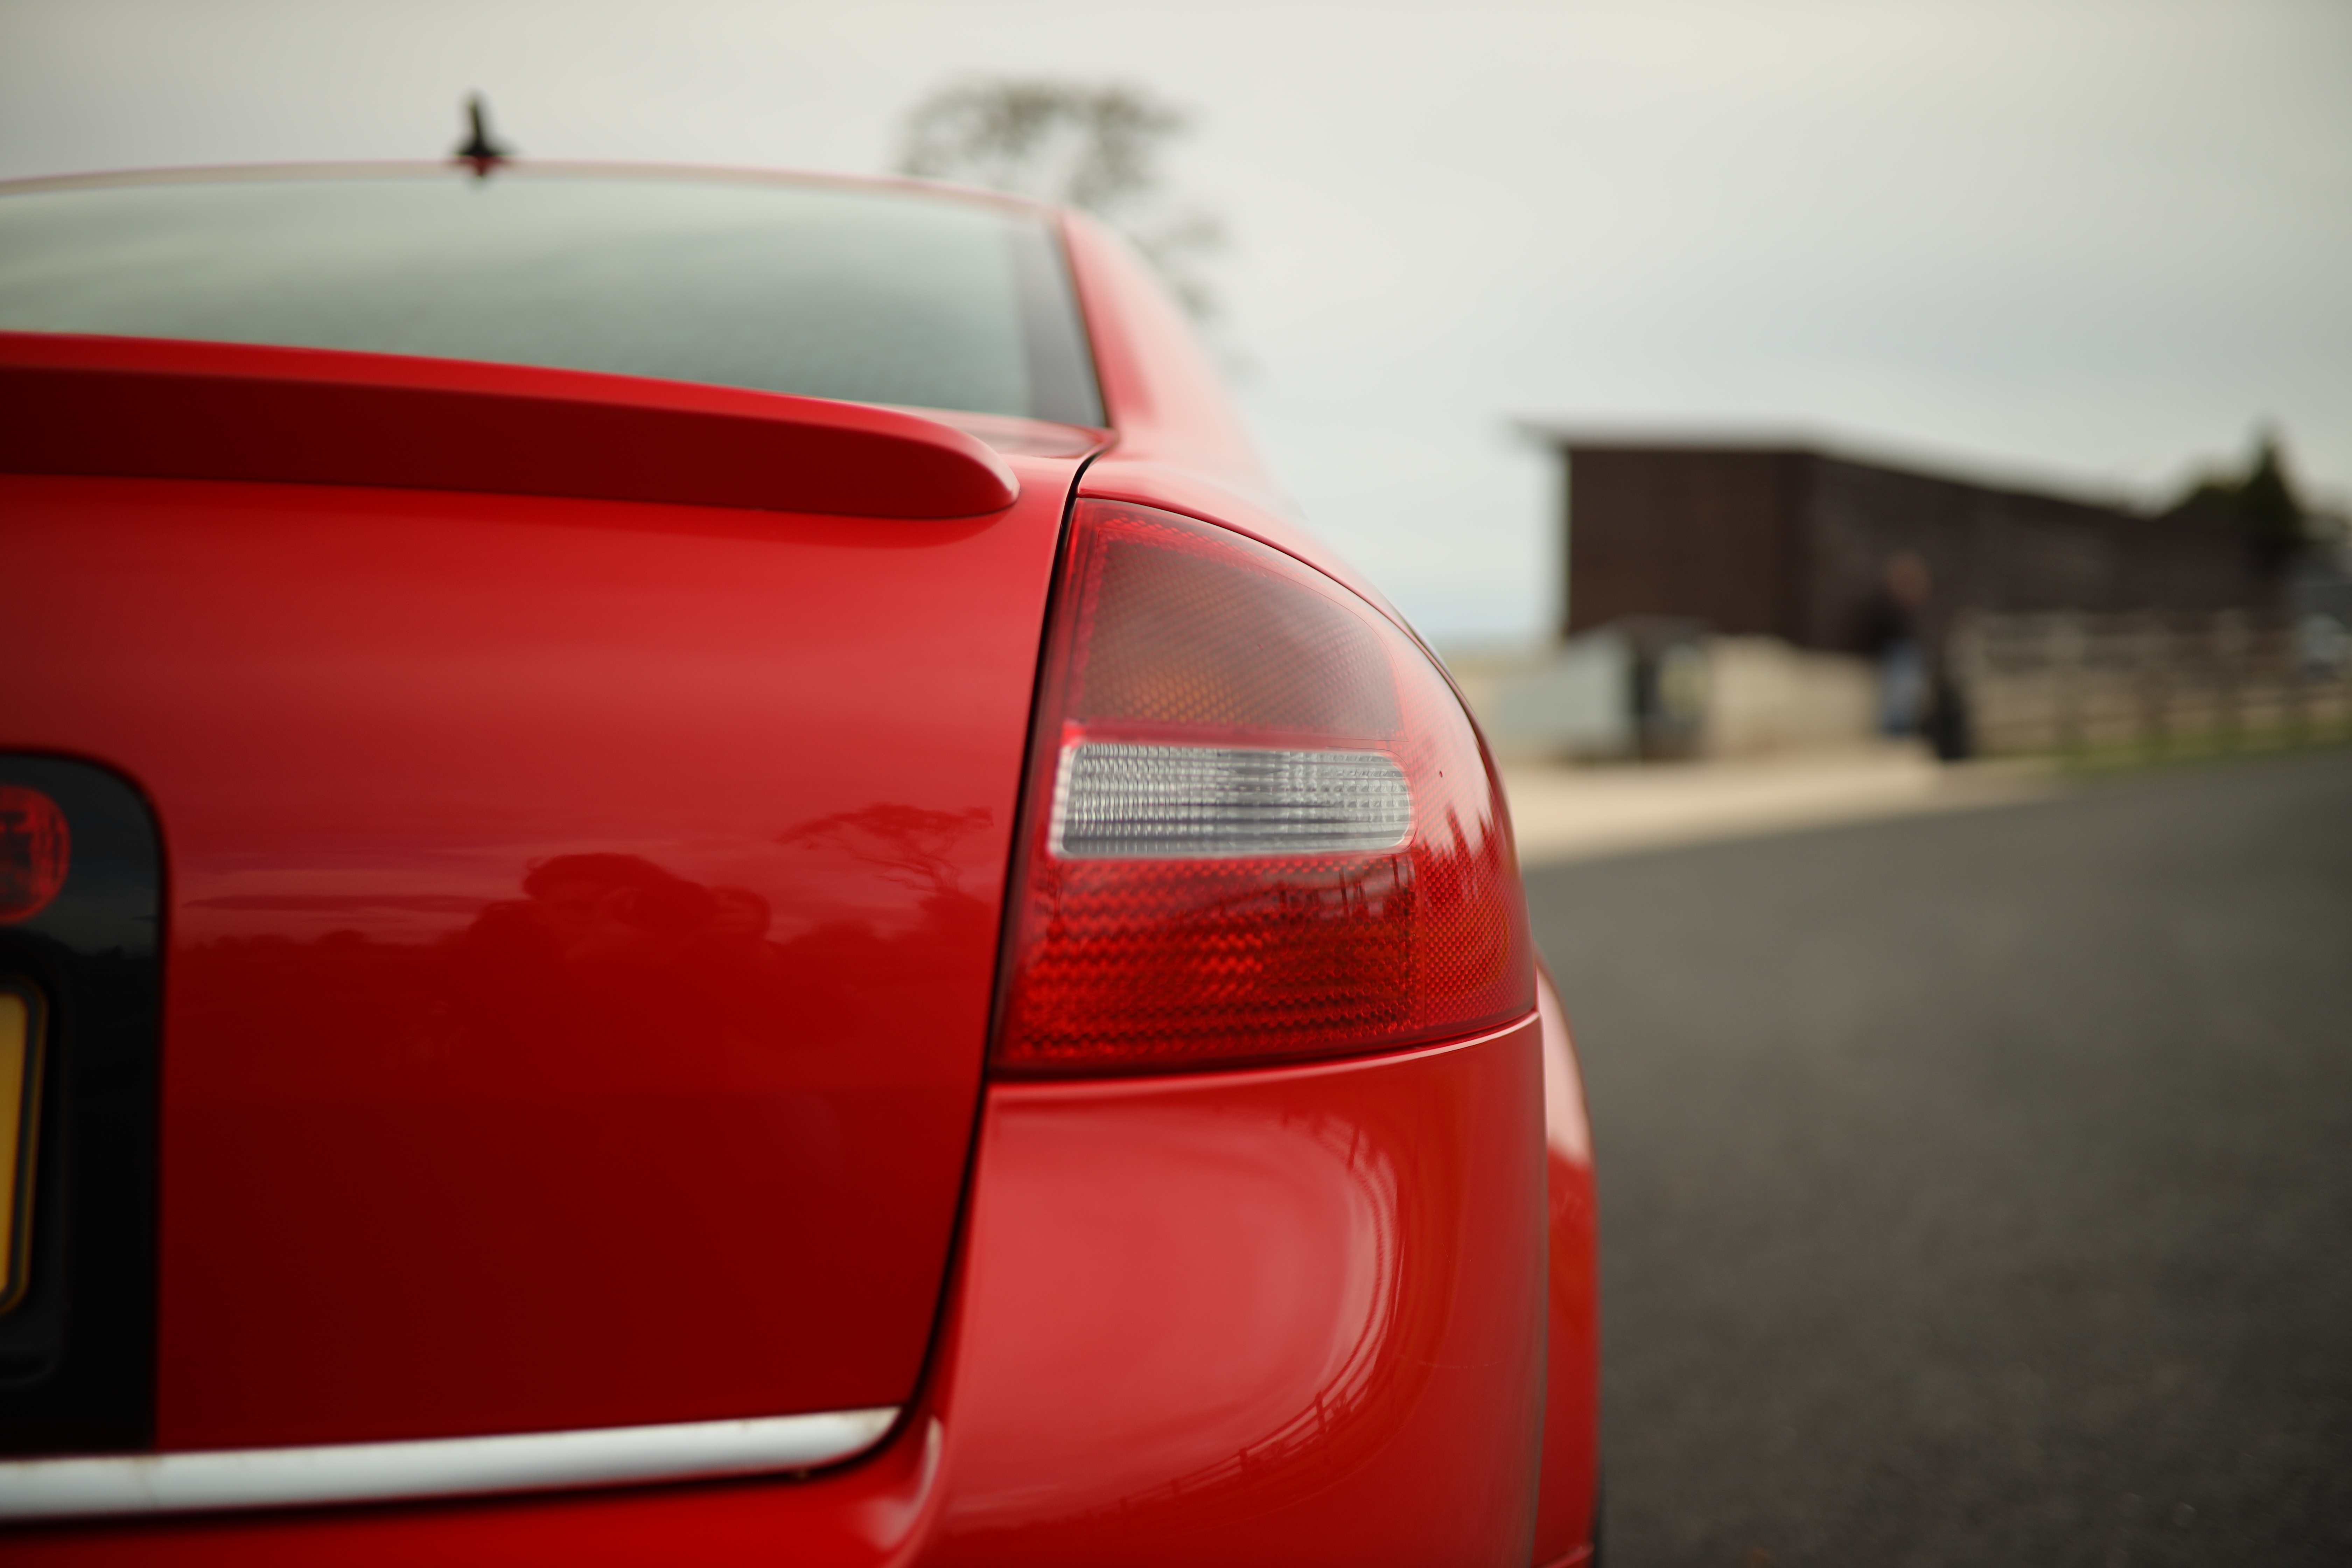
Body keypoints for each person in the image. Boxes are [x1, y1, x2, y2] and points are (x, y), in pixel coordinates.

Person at [1861, 552, 1933, 737]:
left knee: (1909, 687)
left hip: (1904, 654)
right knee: (1899, 686)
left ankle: (1904, 726)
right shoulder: (1887, 606)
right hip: (1895, 654)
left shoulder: (1908, 609)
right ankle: (1896, 727)